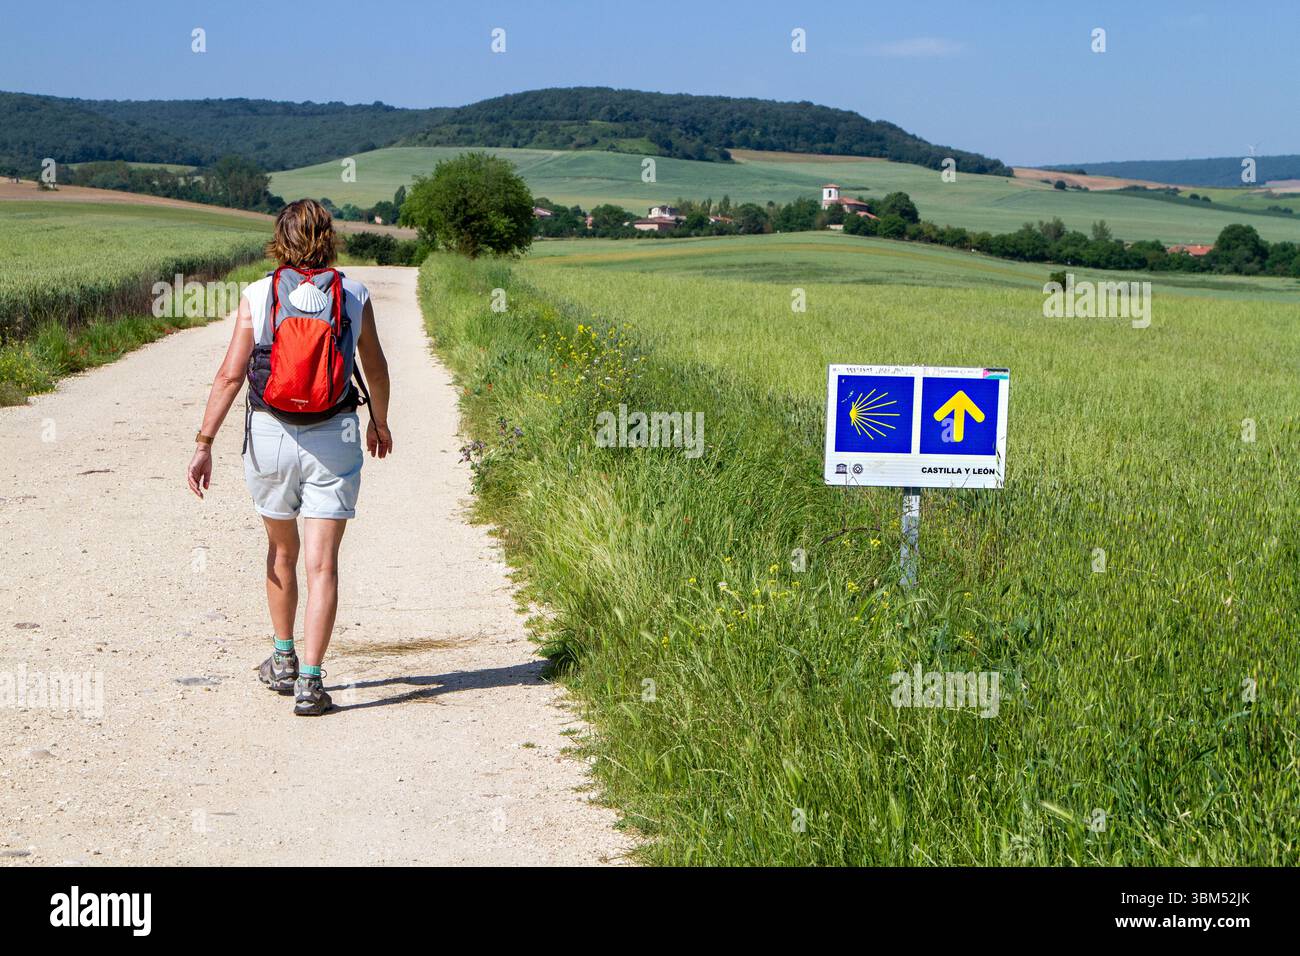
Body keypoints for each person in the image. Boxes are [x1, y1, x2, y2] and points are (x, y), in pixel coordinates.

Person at [186, 199, 392, 715]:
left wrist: (204, 441)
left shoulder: (259, 293)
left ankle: (281, 660)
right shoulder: (354, 294)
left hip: (271, 436)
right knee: (323, 564)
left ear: (280, 237)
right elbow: (376, 365)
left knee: (282, 554)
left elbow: (231, 375)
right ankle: (311, 682)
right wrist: (380, 422)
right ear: (328, 237)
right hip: (336, 435)